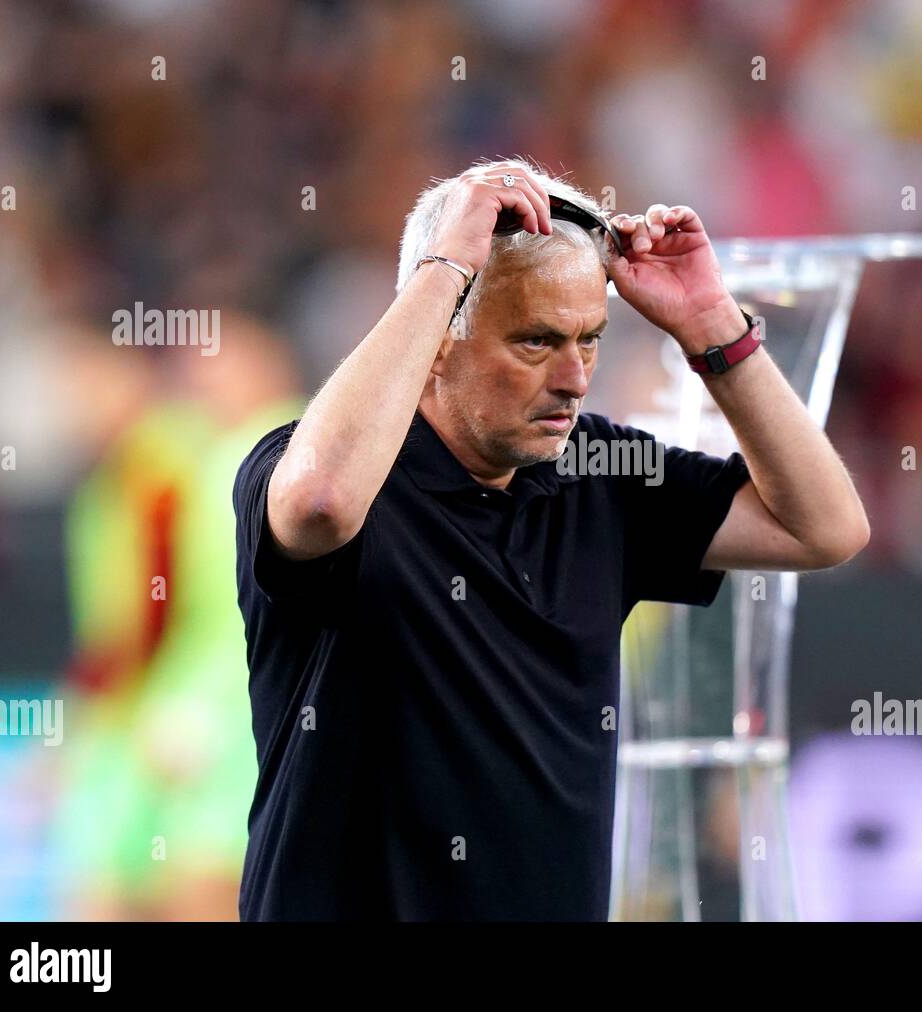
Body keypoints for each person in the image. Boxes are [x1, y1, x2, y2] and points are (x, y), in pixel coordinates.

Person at [233, 158, 870, 920]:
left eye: (591, 340)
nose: (574, 377)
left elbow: (825, 528)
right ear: (439, 338)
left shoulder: (600, 475)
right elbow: (323, 502)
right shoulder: (318, 467)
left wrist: (711, 329)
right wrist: (443, 268)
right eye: (537, 342)